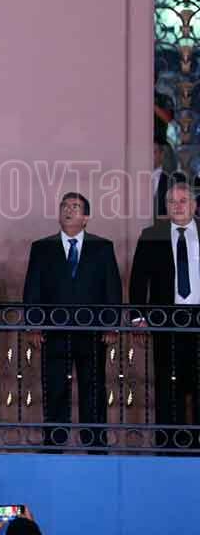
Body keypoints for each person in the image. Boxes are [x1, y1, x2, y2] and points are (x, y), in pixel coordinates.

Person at [22, 193, 122, 450]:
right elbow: (32, 289)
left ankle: (95, 441)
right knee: (55, 387)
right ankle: (55, 441)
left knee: (93, 388)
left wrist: (111, 325)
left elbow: (112, 288)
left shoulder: (103, 247)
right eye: (65, 206)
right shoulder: (42, 247)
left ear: (86, 217)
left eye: (75, 207)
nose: (68, 210)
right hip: (54, 331)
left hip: (92, 332)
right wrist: (33, 325)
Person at [130, 181, 200, 449]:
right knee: (167, 385)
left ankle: (196, 445)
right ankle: (168, 444)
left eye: (184, 201)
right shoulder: (151, 234)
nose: (179, 206)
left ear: (194, 205)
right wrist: (138, 317)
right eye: (173, 202)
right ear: (166, 207)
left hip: (198, 320)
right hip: (166, 321)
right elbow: (138, 280)